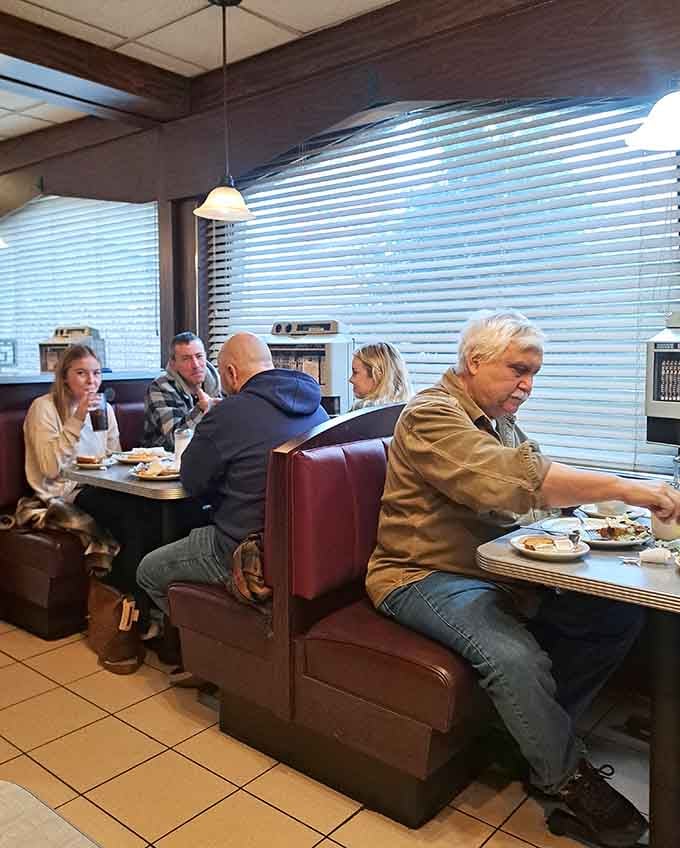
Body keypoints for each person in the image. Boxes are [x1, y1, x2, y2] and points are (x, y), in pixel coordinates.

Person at [366, 309, 680, 848]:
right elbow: (510, 483)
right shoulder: (430, 416)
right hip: (419, 574)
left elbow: (534, 488)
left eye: (534, 373)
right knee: (515, 657)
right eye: (518, 370)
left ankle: (529, 739)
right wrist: (631, 490)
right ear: (474, 362)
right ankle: (562, 775)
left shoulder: (496, 419)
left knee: (617, 615)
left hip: (490, 571)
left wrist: (602, 514)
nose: (528, 386)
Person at [137, 332, 328, 668]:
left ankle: (210, 659)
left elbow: (193, 481)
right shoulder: (317, 408)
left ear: (230, 373)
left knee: (148, 571)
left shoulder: (228, 414)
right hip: (302, 551)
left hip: (242, 551)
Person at [23, 345, 160, 602]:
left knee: (150, 510)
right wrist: (77, 417)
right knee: (130, 517)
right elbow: (50, 469)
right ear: (64, 376)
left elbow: (114, 456)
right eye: (81, 373)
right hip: (63, 492)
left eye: (96, 373)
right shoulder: (43, 409)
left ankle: (145, 602)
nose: (92, 381)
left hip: (99, 486)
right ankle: (133, 606)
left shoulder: (104, 409)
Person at [142, 332, 222, 452]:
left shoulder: (220, 382)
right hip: (163, 464)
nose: (195, 365)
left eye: (199, 356)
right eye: (186, 359)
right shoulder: (160, 387)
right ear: (173, 364)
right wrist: (200, 409)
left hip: (208, 457)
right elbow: (176, 439)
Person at [349, 341, 413, 410]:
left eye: (355, 372)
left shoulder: (362, 413)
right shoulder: (408, 409)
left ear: (377, 376)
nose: (351, 379)